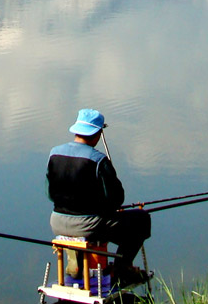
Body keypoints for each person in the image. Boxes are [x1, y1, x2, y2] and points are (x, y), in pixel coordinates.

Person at [45, 108, 151, 286]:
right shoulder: (98, 160)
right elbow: (117, 199)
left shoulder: (54, 153)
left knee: (109, 221)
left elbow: (50, 194)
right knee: (141, 220)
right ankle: (121, 269)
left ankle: (78, 266)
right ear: (97, 133)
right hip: (88, 226)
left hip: (56, 222)